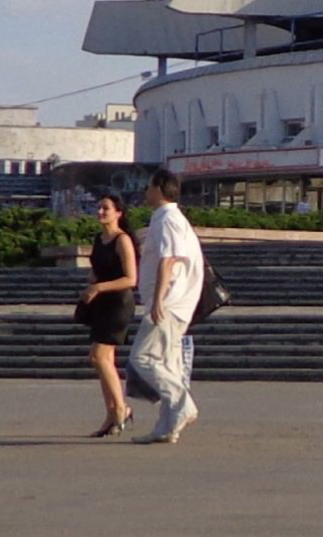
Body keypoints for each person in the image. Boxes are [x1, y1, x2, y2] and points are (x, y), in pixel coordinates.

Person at [129, 167, 203, 444]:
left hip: (169, 303)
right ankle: (167, 426)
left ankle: (181, 403)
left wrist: (158, 299)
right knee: (168, 364)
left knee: (144, 358)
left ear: (159, 188)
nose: (146, 191)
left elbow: (168, 260)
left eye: (149, 186)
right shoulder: (170, 218)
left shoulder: (168, 218)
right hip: (175, 303)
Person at [79, 193, 138, 437]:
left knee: (99, 356)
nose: (101, 212)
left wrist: (99, 287)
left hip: (118, 304)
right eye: (99, 208)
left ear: (118, 213)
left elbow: (130, 279)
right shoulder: (99, 239)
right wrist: (90, 286)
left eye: (106, 208)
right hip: (101, 304)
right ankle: (112, 413)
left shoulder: (122, 240)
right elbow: (98, 271)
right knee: (101, 359)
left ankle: (121, 409)